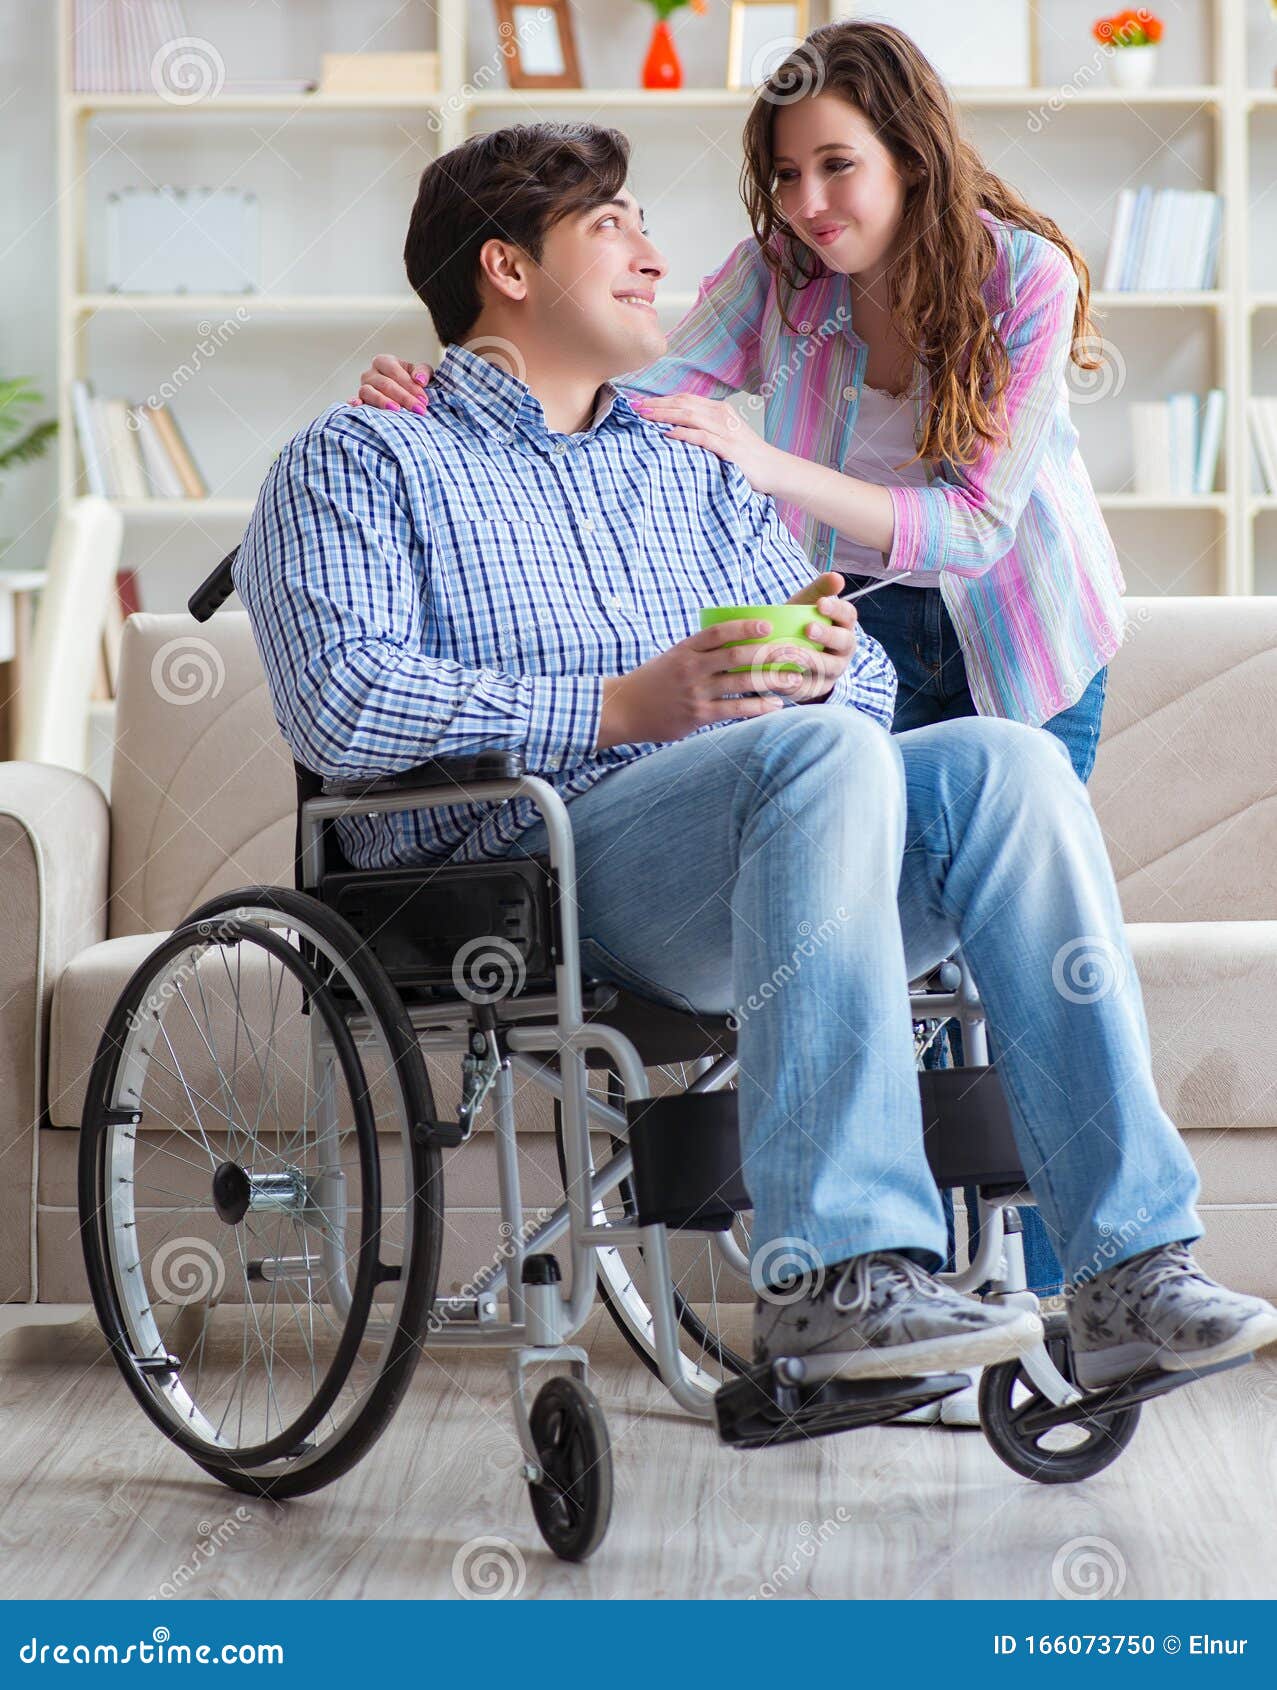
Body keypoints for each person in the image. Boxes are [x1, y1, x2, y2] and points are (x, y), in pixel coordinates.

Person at [238, 119, 1277, 1398]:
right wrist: (623, 706)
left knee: (1003, 763)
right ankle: (842, 1277)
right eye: (610, 223)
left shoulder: (693, 464)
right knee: (813, 760)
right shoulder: (361, 459)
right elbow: (344, 704)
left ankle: (1122, 1271)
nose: (649, 249)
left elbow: (874, 688)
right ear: (505, 269)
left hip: (781, 853)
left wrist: (830, 663)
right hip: (536, 878)